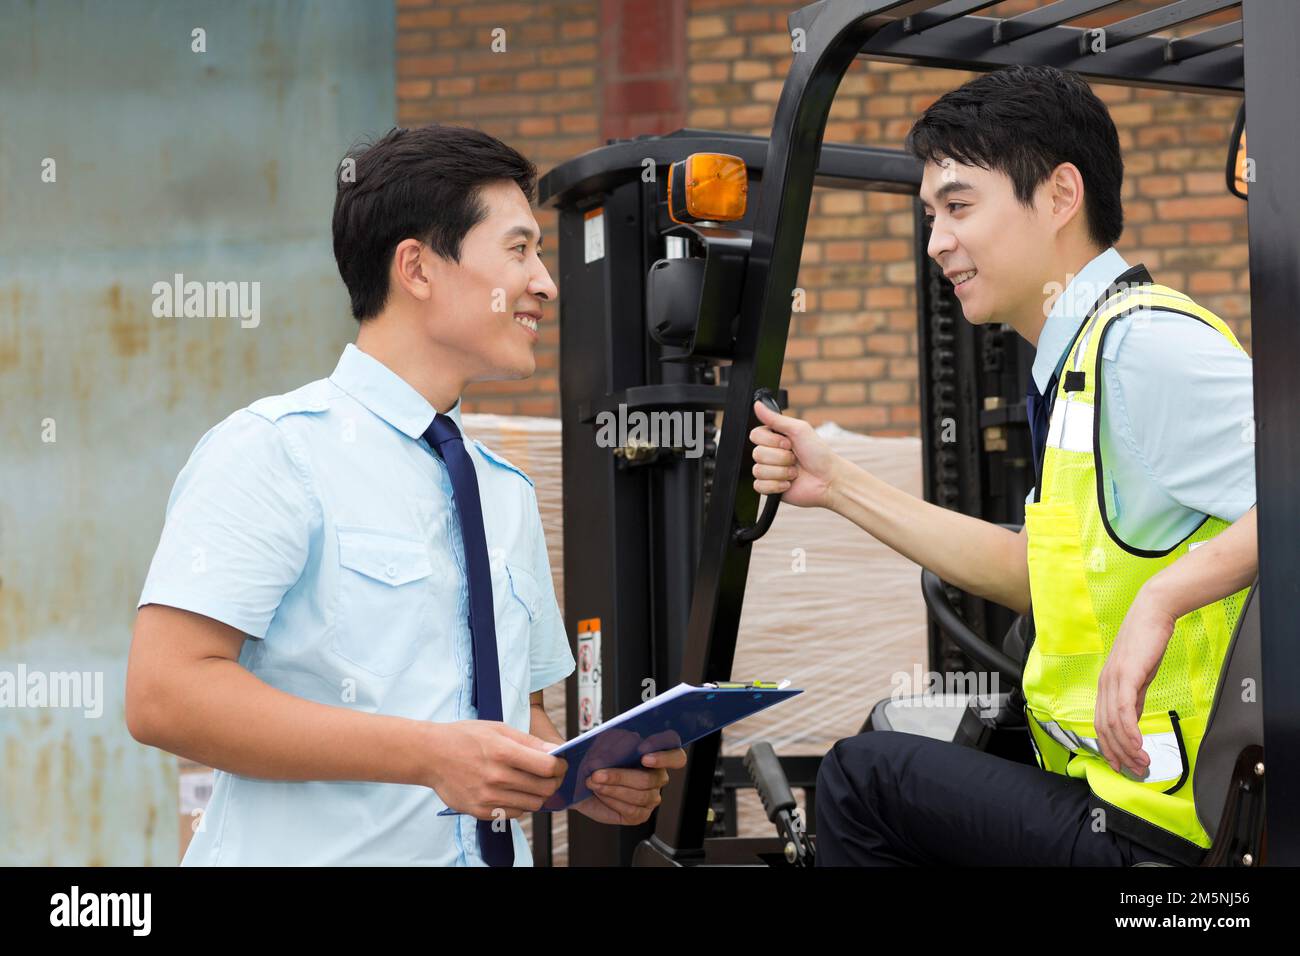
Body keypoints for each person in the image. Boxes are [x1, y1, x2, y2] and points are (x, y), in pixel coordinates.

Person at [127, 124, 686, 866]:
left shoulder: (503, 491)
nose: (546, 283)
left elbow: (516, 718)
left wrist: (578, 773)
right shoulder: (274, 451)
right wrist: (428, 755)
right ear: (417, 268)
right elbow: (165, 694)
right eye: (519, 251)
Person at [749, 66, 1256, 866]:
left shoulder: (1145, 347)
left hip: (1170, 837)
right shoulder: (1083, 364)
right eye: (930, 215)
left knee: (864, 781)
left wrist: (1165, 597)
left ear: (1059, 196)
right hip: (1130, 798)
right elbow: (1041, 577)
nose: (936, 242)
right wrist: (837, 484)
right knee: (915, 731)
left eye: (958, 206)